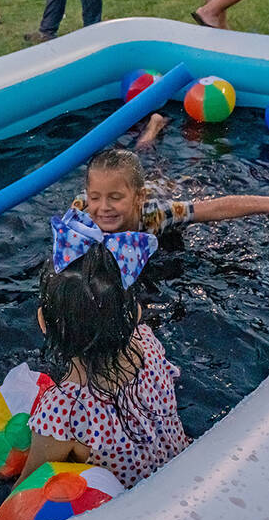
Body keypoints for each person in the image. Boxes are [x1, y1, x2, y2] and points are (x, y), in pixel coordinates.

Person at [17, 210, 189, 489]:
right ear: (135, 314)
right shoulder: (148, 343)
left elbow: (27, 489)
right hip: (183, 467)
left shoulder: (63, 410)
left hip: (128, 507)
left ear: (42, 323)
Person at [71, 147, 269, 242]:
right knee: (136, 160)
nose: (103, 207)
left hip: (164, 189)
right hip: (131, 183)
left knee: (159, 169)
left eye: (115, 198)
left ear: (138, 199)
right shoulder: (82, 212)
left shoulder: (155, 214)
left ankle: (153, 131)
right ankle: (148, 137)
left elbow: (217, 208)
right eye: (95, 197)